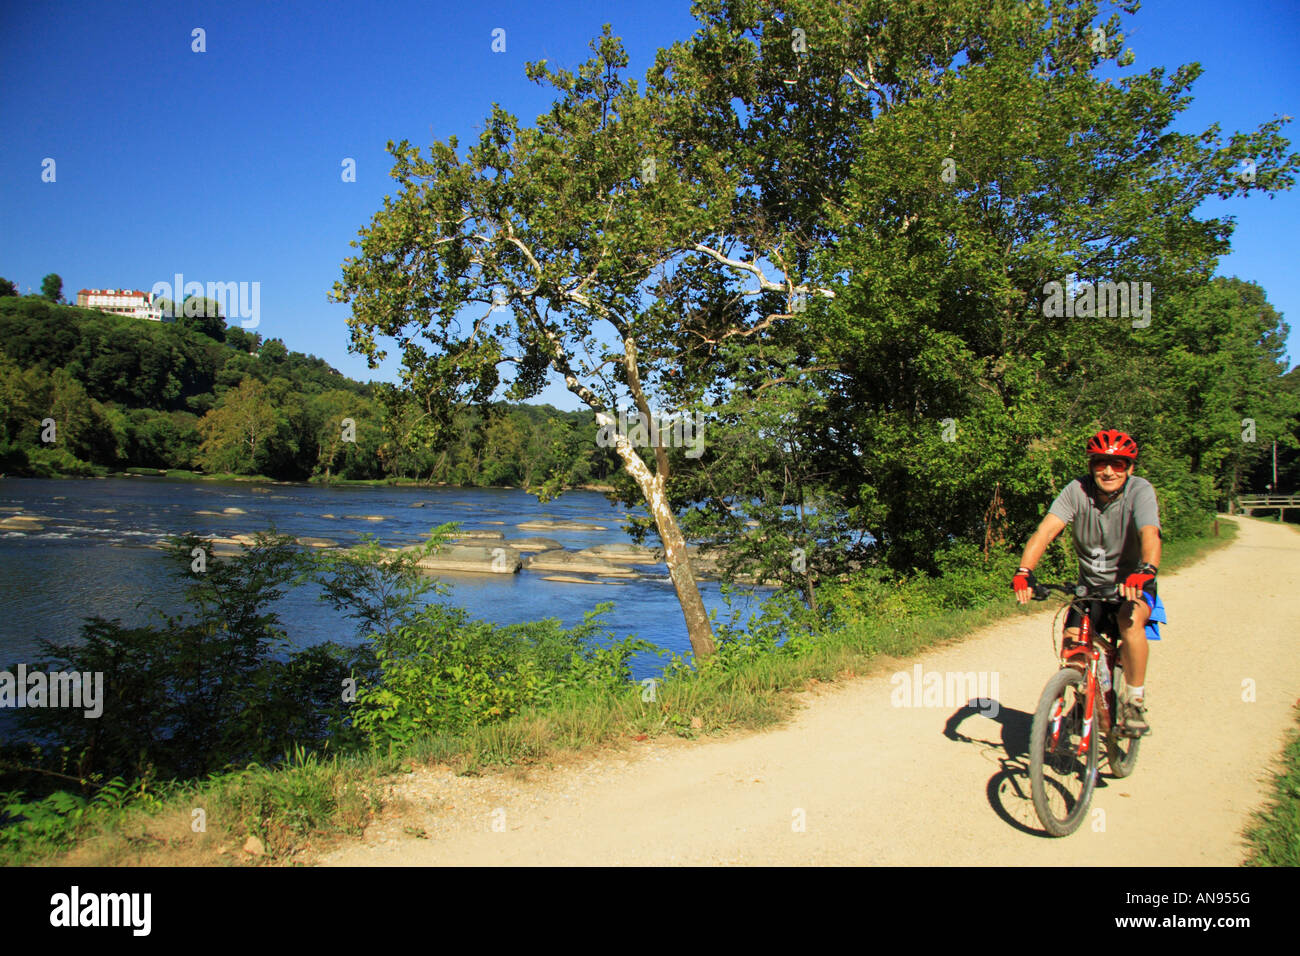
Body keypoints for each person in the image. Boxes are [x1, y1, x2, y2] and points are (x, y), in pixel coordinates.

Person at [1011, 429, 1165, 736]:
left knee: (1128, 620)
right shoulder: (1076, 490)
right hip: (1089, 589)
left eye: (1118, 464)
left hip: (1131, 585)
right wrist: (1024, 571)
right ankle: (1081, 701)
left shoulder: (1140, 490)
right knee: (1073, 648)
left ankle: (1134, 700)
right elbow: (1045, 532)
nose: (1108, 471)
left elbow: (1150, 533)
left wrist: (1146, 569)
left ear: (1129, 468)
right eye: (1100, 463)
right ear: (1091, 465)